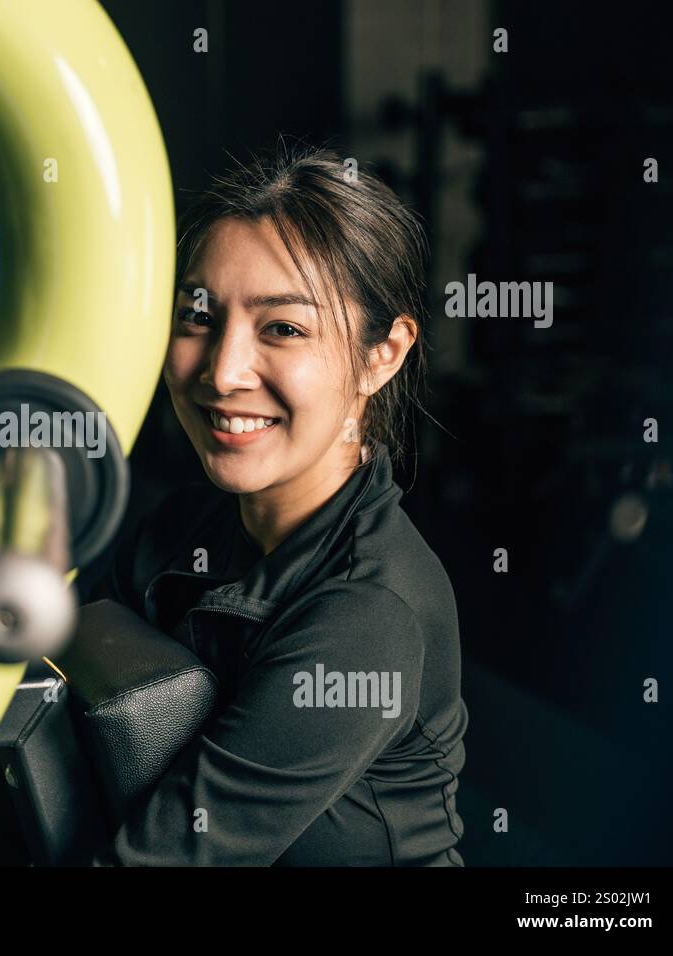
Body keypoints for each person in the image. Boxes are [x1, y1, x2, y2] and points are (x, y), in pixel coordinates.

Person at [87, 145, 468, 865]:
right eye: (197, 317)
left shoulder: (365, 614)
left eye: (283, 329)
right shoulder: (174, 530)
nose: (223, 372)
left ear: (381, 356)